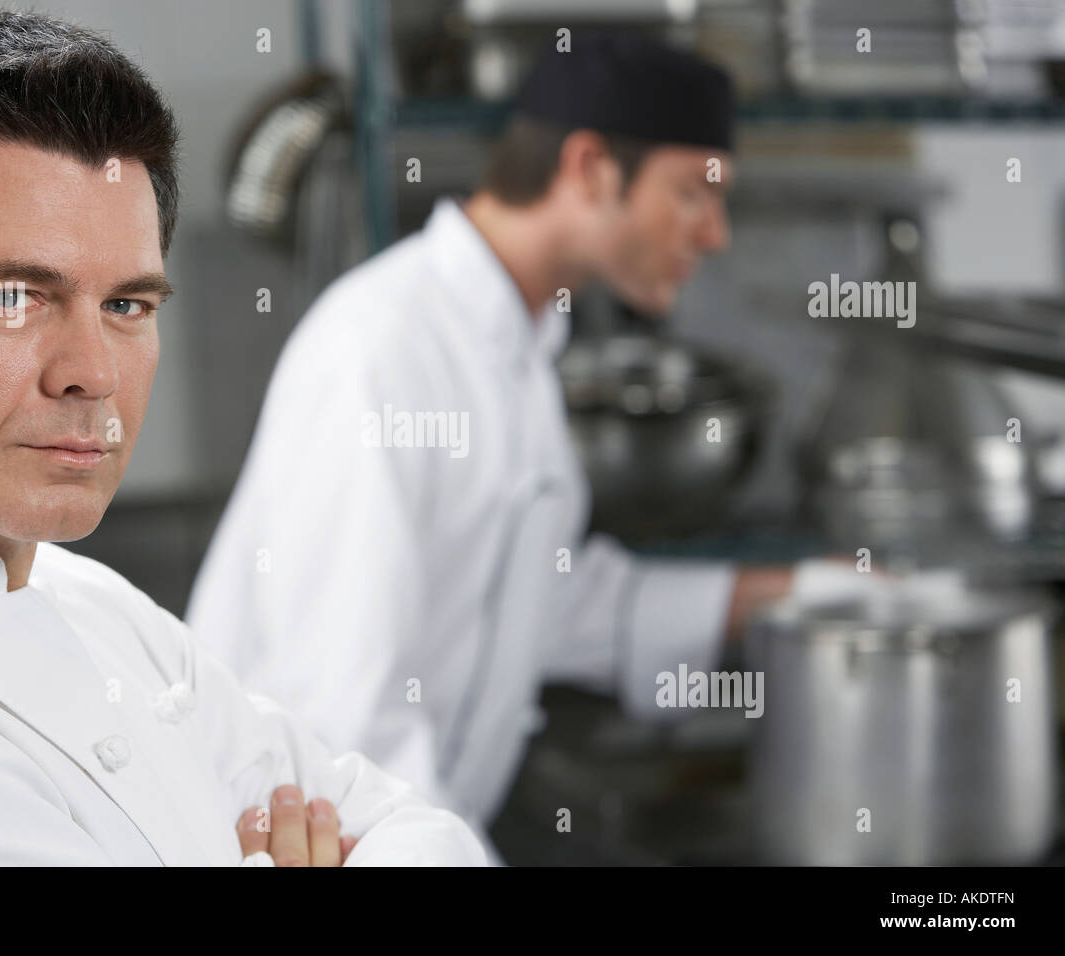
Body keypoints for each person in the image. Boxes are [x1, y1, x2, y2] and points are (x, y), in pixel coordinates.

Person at [0, 8, 485, 867]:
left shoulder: (90, 602)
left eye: (125, 306)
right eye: (11, 297)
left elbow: (426, 835)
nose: (92, 374)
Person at [186, 32, 866, 862]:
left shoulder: (524, 352)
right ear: (588, 167)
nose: (715, 233)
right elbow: (341, 718)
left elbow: (539, 606)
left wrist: (798, 589)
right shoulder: (381, 349)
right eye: (694, 192)